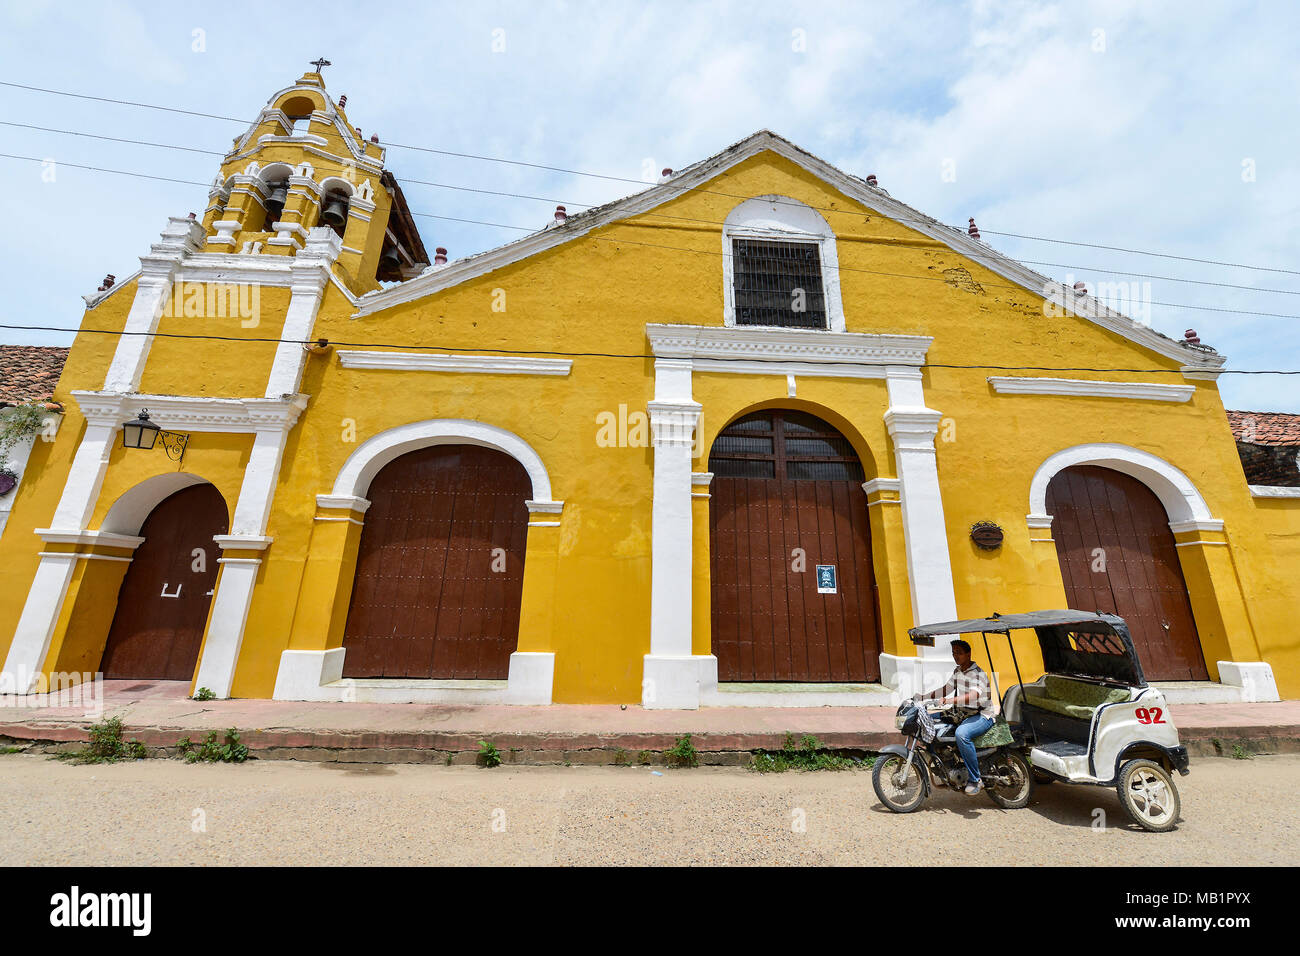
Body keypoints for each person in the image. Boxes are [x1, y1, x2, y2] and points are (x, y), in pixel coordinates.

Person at [921, 639, 999, 795]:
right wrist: (922, 697)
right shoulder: (958, 671)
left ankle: (975, 779)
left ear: (968, 654)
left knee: (962, 734)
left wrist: (949, 701)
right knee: (926, 719)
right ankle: (943, 762)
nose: (956, 656)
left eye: (959, 653)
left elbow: (973, 695)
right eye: (953, 653)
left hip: (982, 715)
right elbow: (945, 689)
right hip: (962, 713)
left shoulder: (977, 674)